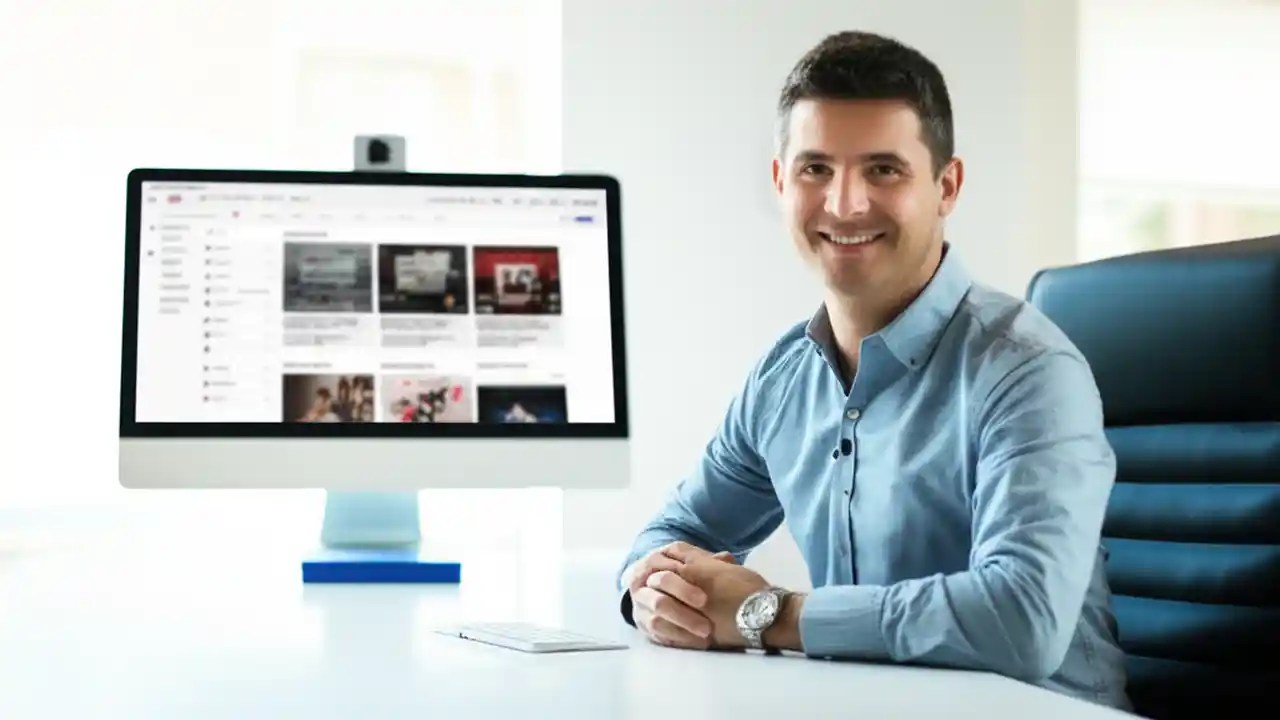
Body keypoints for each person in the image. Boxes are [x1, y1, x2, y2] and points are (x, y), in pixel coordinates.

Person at [616, 31, 1130, 711]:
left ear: (946, 186)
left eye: (883, 169)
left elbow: (1021, 618)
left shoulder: (1028, 372)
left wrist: (772, 615)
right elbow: (666, 538)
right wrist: (650, 594)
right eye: (815, 169)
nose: (845, 203)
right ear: (780, 183)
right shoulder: (783, 381)